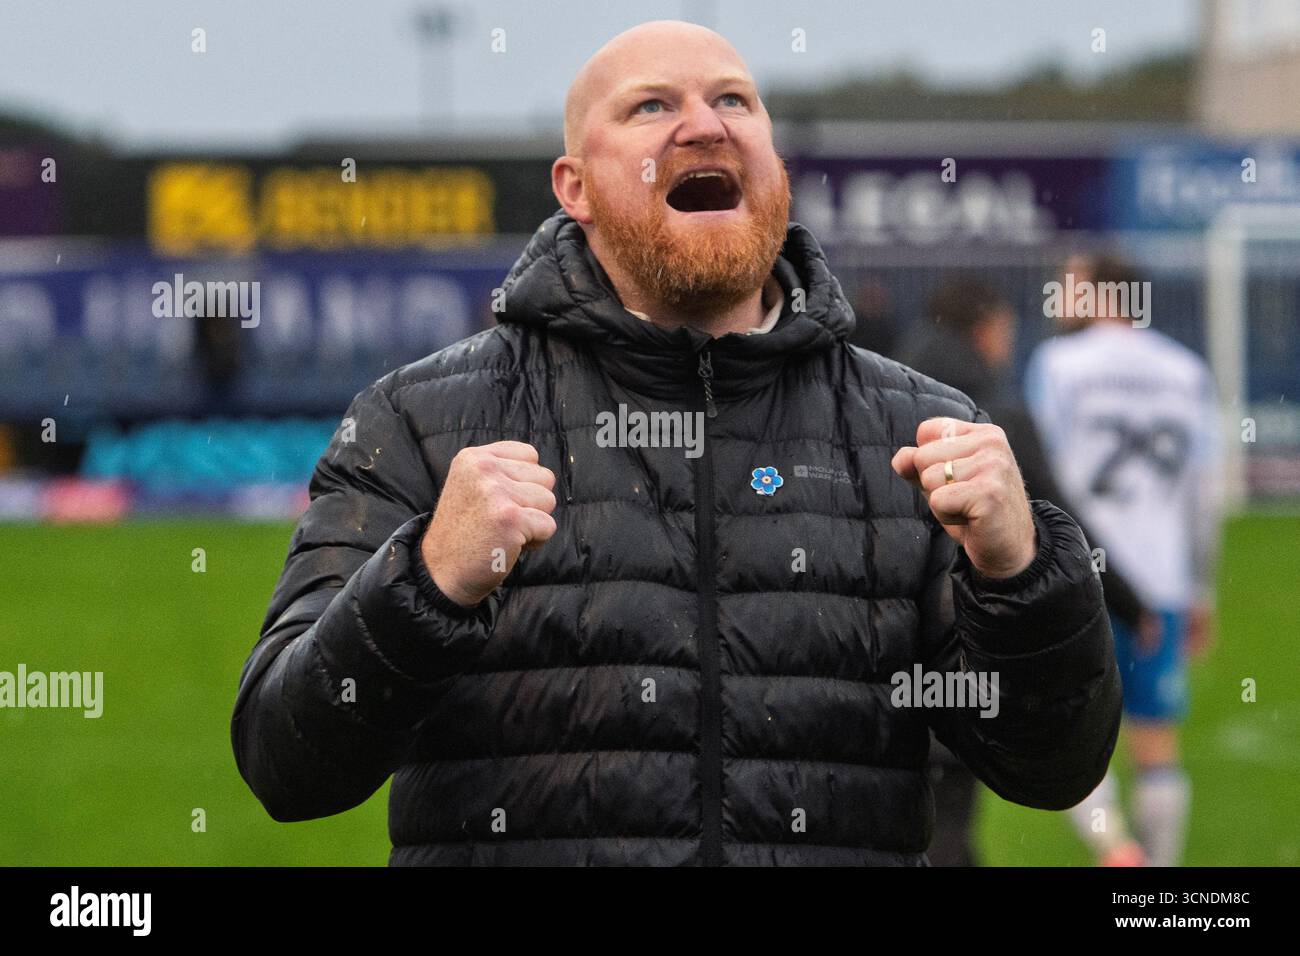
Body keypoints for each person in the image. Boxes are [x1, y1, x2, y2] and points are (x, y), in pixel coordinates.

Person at [231, 21, 1121, 866]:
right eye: (652, 107)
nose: (704, 124)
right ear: (573, 186)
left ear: (773, 162)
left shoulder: (918, 426)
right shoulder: (418, 420)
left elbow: (1052, 767)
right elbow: (287, 762)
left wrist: (1022, 575)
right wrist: (424, 583)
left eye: (735, 101)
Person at [900, 277, 1152, 866]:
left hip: (878, 641)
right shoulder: (992, 413)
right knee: (952, 811)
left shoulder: (871, 394)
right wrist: (1130, 601)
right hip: (964, 632)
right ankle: (1118, 846)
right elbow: (1057, 515)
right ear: (987, 329)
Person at [1025, 254, 1223, 867]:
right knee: (1156, 742)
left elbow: (1037, 476)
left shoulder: (1057, 366)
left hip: (1079, 576)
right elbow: (1204, 493)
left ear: (1098, 293)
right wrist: (1202, 590)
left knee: (1068, 738)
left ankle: (1116, 849)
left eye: (1069, 286)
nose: (1058, 298)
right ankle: (1156, 883)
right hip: (1160, 581)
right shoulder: (1185, 370)